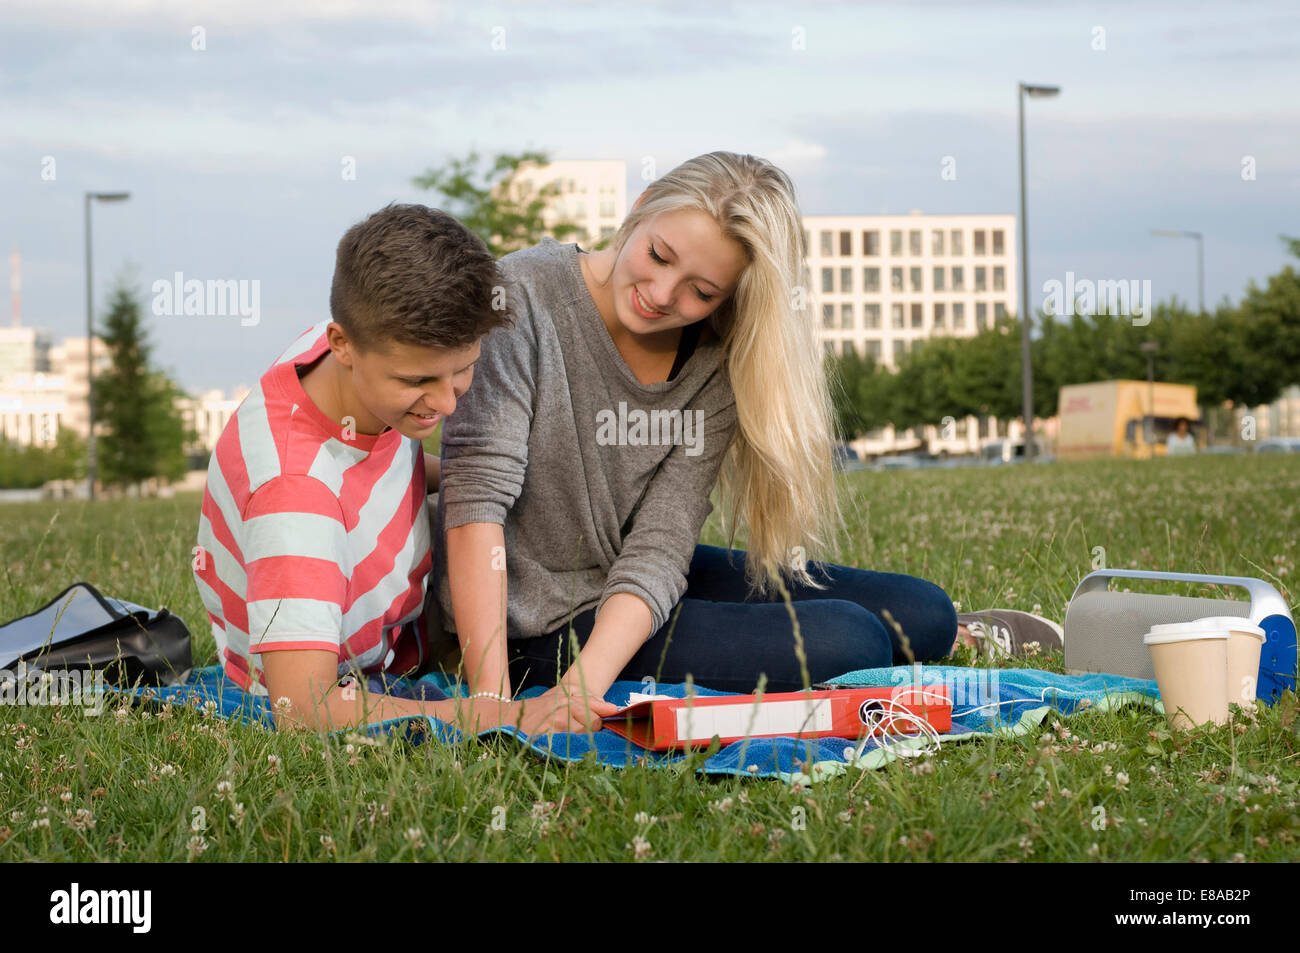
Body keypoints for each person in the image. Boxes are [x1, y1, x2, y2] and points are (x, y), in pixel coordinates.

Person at [432, 151, 1058, 738]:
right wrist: (494, 703)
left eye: (701, 292)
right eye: (658, 254)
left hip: (628, 578)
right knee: (851, 642)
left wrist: (586, 685)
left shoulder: (717, 355)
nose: (662, 294)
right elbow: (474, 503)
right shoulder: (519, 295)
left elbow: (659, 545)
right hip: (534, 618)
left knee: (923, 612)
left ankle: (946, 642)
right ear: (642, 206)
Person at [192, 203, 529, 733]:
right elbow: (302, 708)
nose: (447, 404)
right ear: (342, 344)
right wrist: (477, 714)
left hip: (405, 622)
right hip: (353, 672)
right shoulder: (294, 496)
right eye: (418, 381)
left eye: (463, 369)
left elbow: (378, 475)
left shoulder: (340, 356)